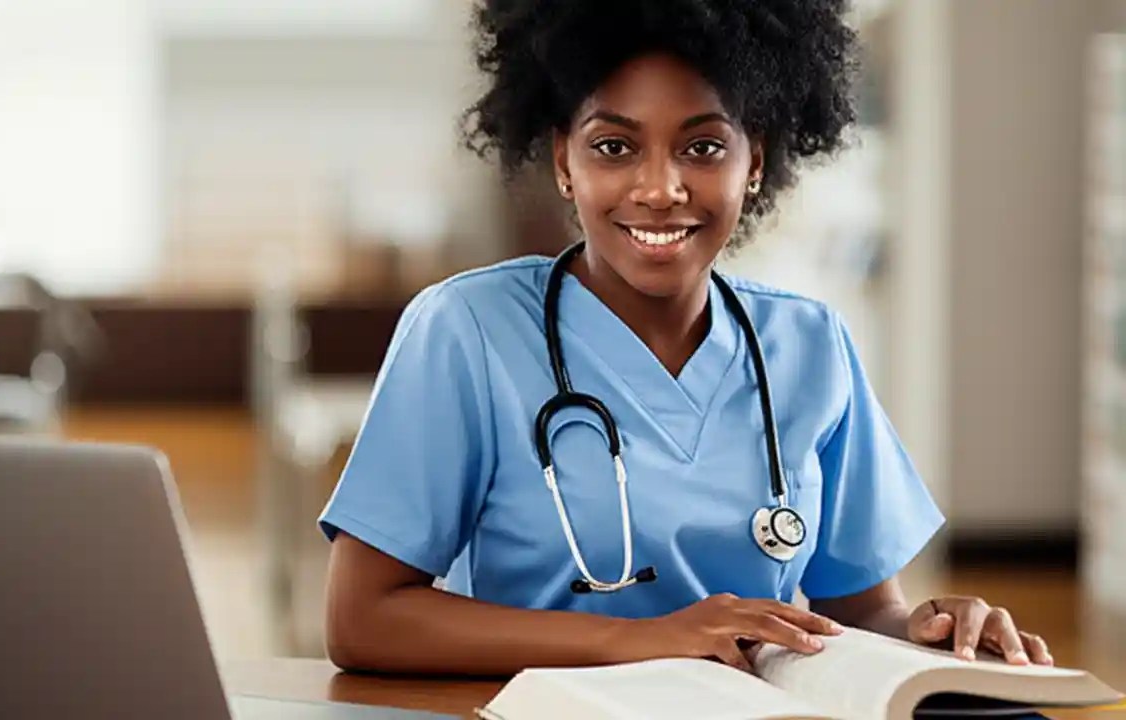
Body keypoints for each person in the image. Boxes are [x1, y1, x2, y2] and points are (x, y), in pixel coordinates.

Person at [317, 0, 1052, 677]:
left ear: (755, 161)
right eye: (613, 146)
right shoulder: (466, 331)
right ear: (562, 162)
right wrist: (643, 640)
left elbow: (855, 613)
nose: (660, 187)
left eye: (702, 148)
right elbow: (362, 620)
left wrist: (931, 630)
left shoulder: (808, 344)